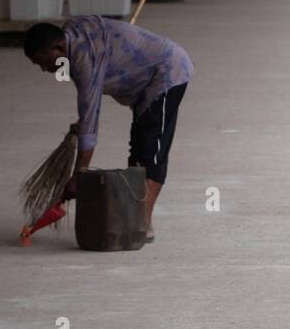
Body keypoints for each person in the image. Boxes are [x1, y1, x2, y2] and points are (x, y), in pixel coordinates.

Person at [24, 17, 193, 244]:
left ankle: (143, 224)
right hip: (144, 83)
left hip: (168, 72)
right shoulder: (71, 34)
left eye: (45, 62)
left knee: (151, 150)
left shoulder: (84, 61)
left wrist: (78, 175)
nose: (45, 69)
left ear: (59, 48)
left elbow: (91, 121)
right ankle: (135, 217)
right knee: (138, 148)